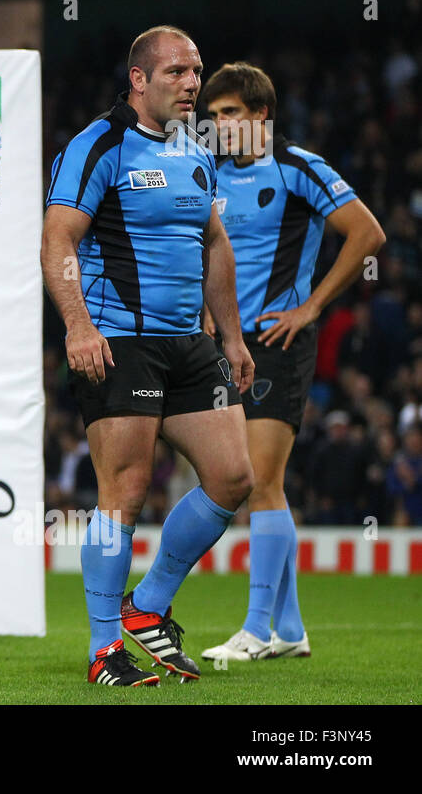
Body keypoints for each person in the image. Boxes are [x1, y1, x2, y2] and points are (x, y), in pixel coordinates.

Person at [41, 25, 255, 687]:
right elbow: (57, 240)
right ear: (139, 79)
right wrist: (78, 325)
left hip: (187, 344)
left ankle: (148, 607)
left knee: (233, 478)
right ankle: (104, 651)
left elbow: (214, 243)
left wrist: (232, 336)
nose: (193, 84)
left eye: (196, 71)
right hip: (118, 341)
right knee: (125, 493)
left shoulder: (197, 151)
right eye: (177, 73)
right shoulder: (97, 144)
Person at [198, 62, 384, 662]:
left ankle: (255, 631)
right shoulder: (208, 174)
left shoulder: (298, 166)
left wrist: (310, 308)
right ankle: (292, 629)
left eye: (230, 114)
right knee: (243, 481)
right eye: (214, 115)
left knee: (261, 483)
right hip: (226, 346)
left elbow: (367, 233)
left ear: (260, 116)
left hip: (278, 341)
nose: (220, 124)